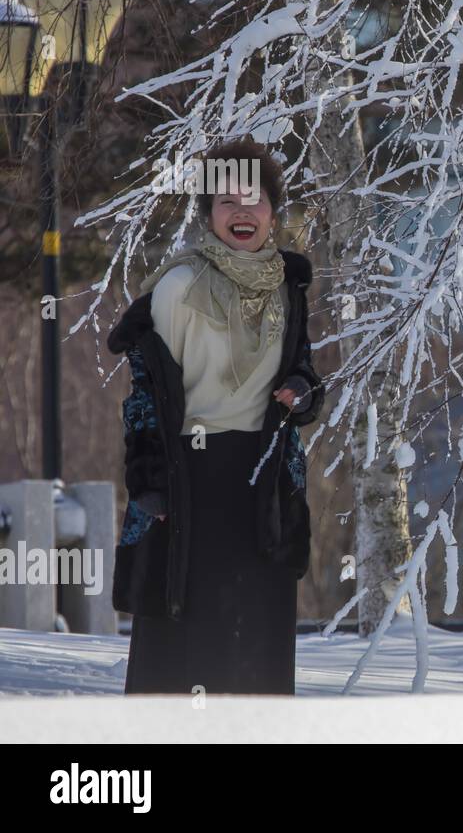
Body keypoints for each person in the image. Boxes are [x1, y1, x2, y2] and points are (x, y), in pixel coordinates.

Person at [107, 138, 323, 695]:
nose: (242, 212)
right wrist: (150, 485)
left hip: (264, 483)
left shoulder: (287, 290)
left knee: (258, 641)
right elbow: (145, 399)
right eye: (227, 202)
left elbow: (303, 370)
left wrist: (301, 390)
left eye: (254, 200)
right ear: (208, 215)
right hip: (192, 480)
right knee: (188, 640)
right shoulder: (178, 288)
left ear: (273, 213)